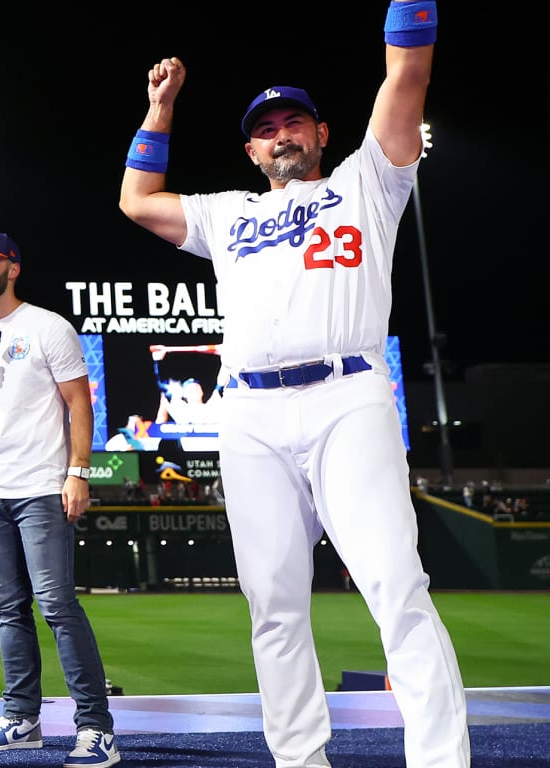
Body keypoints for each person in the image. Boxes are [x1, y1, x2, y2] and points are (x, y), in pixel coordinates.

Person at [117, 4, 469, 766]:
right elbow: (137, 200)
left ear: (321, 135)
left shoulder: (368, 183)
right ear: (251, 149)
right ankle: (300, 760)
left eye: (295, 122)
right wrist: (160, 109)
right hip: (249, 416)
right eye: (268, 127)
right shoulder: (228, 214)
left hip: (348, 399)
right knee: (273, 608)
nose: (282, 133)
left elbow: (407, 69)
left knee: (396, 587)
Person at [0, 231, 122, 768]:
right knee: (8, 609)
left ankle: (96, 727)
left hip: (42, 486)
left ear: (13, 268)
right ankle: (21, 718)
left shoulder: (48, 327)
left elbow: (79, 405)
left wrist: (78, 473)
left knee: (58, 606)